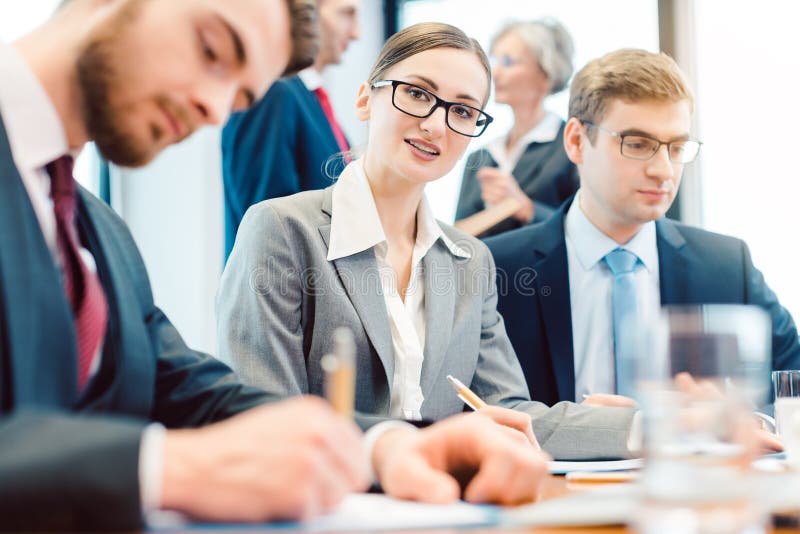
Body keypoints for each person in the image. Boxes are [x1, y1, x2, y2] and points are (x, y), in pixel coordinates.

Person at [0, 1, 549, 530]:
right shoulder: (283, 229)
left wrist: (389, 444)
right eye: (213, 47)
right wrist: (165, 469)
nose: (215, 110)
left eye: (239, 95)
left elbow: (194, 392)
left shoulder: (100, 236)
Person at [218, 22, 640, 461]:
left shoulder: (470, 260)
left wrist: (651, 427)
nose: (436, 125)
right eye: (418, 93)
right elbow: (266, 417)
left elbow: (508, 416)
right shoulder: (281, 230)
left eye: (462, 111)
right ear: (366, 99)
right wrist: (420, 448)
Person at [486, 48, 800, 407]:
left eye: (677, 147)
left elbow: (794, 385)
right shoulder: (499, 269)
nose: (664, 171)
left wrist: (735, 419)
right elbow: (472, 409)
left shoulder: (727, 265)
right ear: (575, 141)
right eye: (638, 144)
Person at [221, 0, 360, 262]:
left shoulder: (310, 101)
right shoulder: (272, 92)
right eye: (346, 14)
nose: (356, 33)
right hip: (281, 295)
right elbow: (269, 227)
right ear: (308, 12)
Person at [455, 19, 578, 236]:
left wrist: (527, 209)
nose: (496, 73)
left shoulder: (572, 148)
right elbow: (458, 235)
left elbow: (587, 231)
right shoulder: (480, 155)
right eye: (495, 61)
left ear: (546, 75)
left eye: (508, 61)